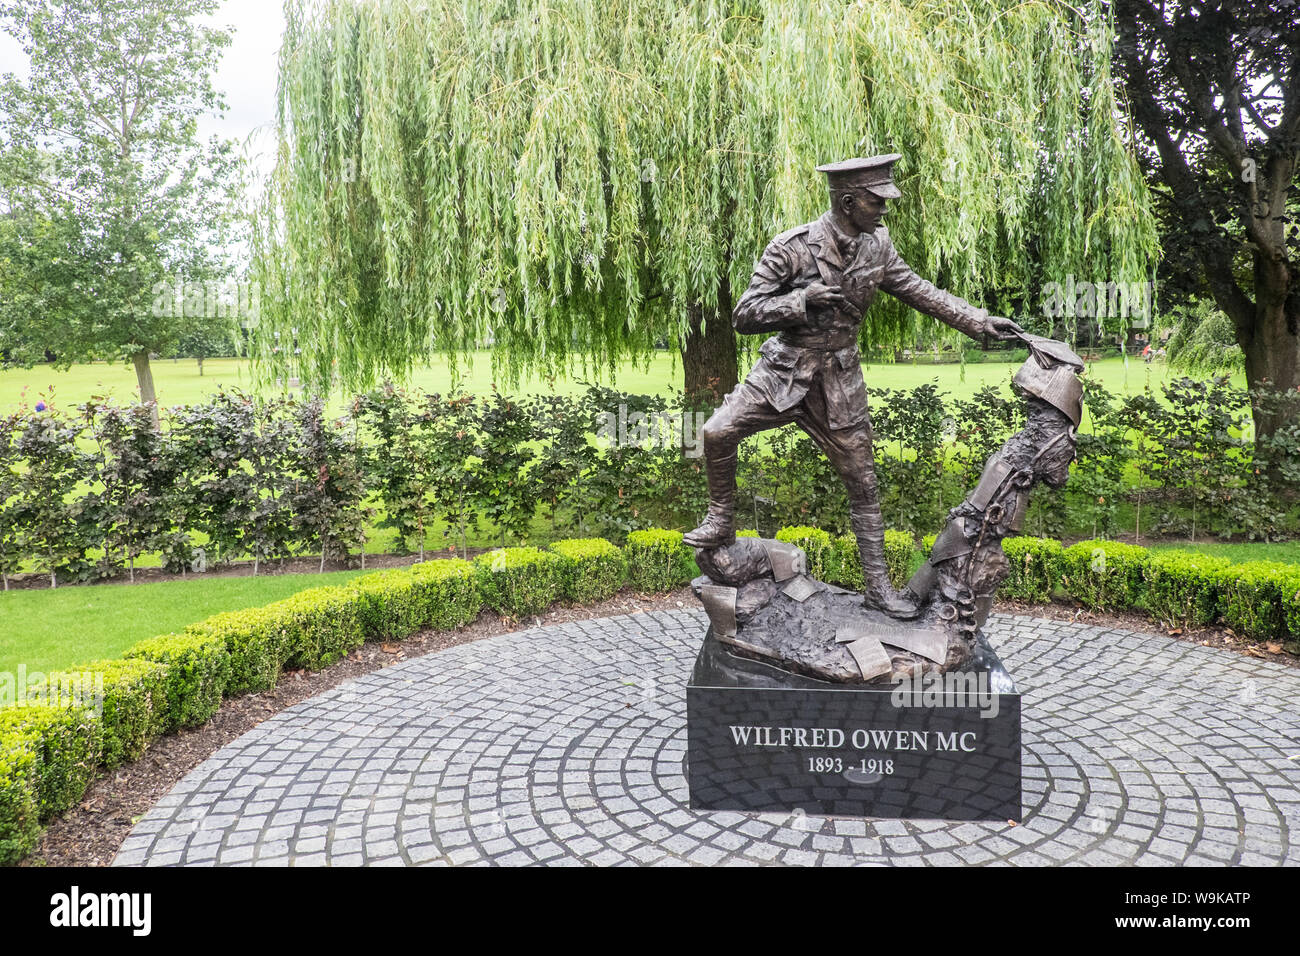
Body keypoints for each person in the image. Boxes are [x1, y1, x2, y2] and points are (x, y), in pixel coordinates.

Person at [683, 154, 1022, 617]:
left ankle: (879, 589)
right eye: (876, 202)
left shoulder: (877, 245)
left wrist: (979, 322)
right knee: (716, 432)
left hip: (838, 381)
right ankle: (721, 523)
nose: (884, 211)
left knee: (863, 483)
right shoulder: (790, 247)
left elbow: (920, 291)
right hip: (783, 372)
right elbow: (745, 313)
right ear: (848, 201)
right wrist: (800, 300)